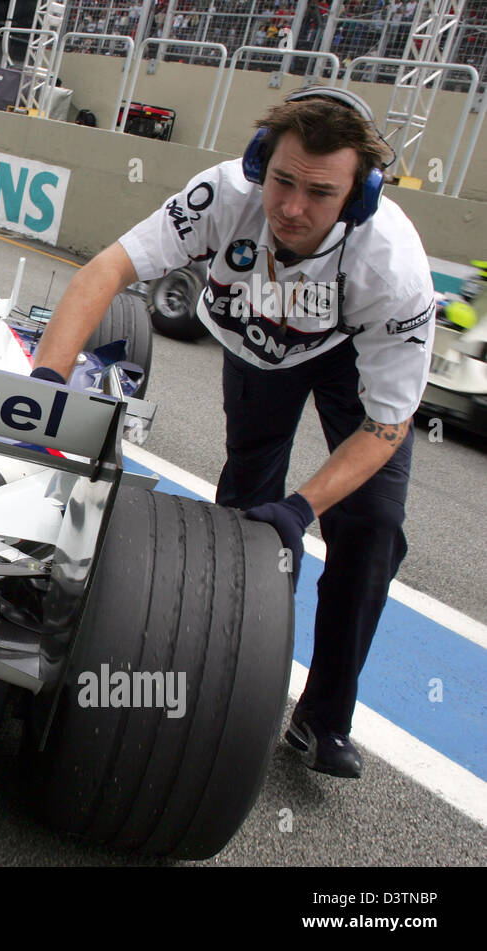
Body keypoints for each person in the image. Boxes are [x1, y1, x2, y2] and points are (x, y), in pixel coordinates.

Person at [29, 87, 434, 780]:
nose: (293, 208)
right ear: (257, 162)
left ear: (358, 198)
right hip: (260, 349)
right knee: (249, 514)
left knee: (372, 525)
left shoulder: (393, 266)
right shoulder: (221, 194)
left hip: (352, 361)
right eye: (281, 180)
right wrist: (41, 391)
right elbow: (108, 270)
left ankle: (324, 717)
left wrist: (306, 508)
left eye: (319, 192)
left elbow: (388, 425)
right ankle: (226, 684)